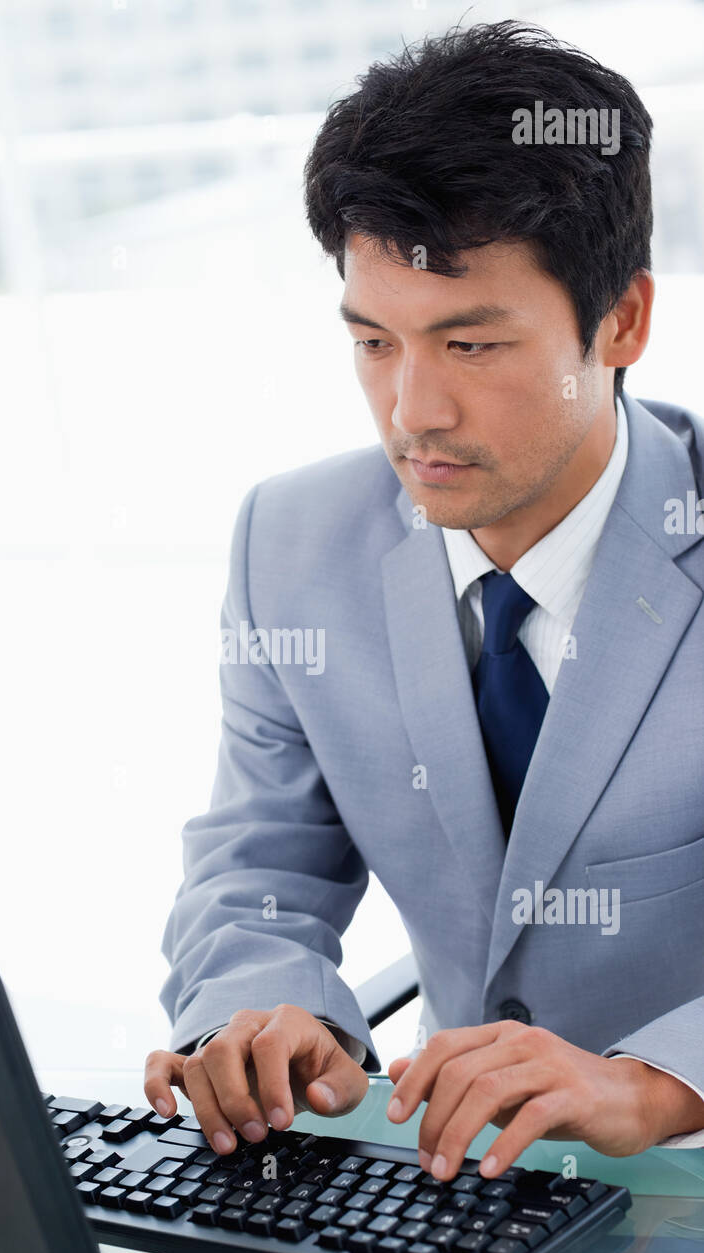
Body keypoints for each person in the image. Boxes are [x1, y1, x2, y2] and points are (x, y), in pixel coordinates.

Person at [145, 21, 704, 1184]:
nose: (413, 412)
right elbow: (262, 860)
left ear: (621, 323)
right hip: (463, 1185)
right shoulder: (292, 544)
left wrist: (651, 1081)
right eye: (372, 342)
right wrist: (261, 1014)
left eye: (470, 342)